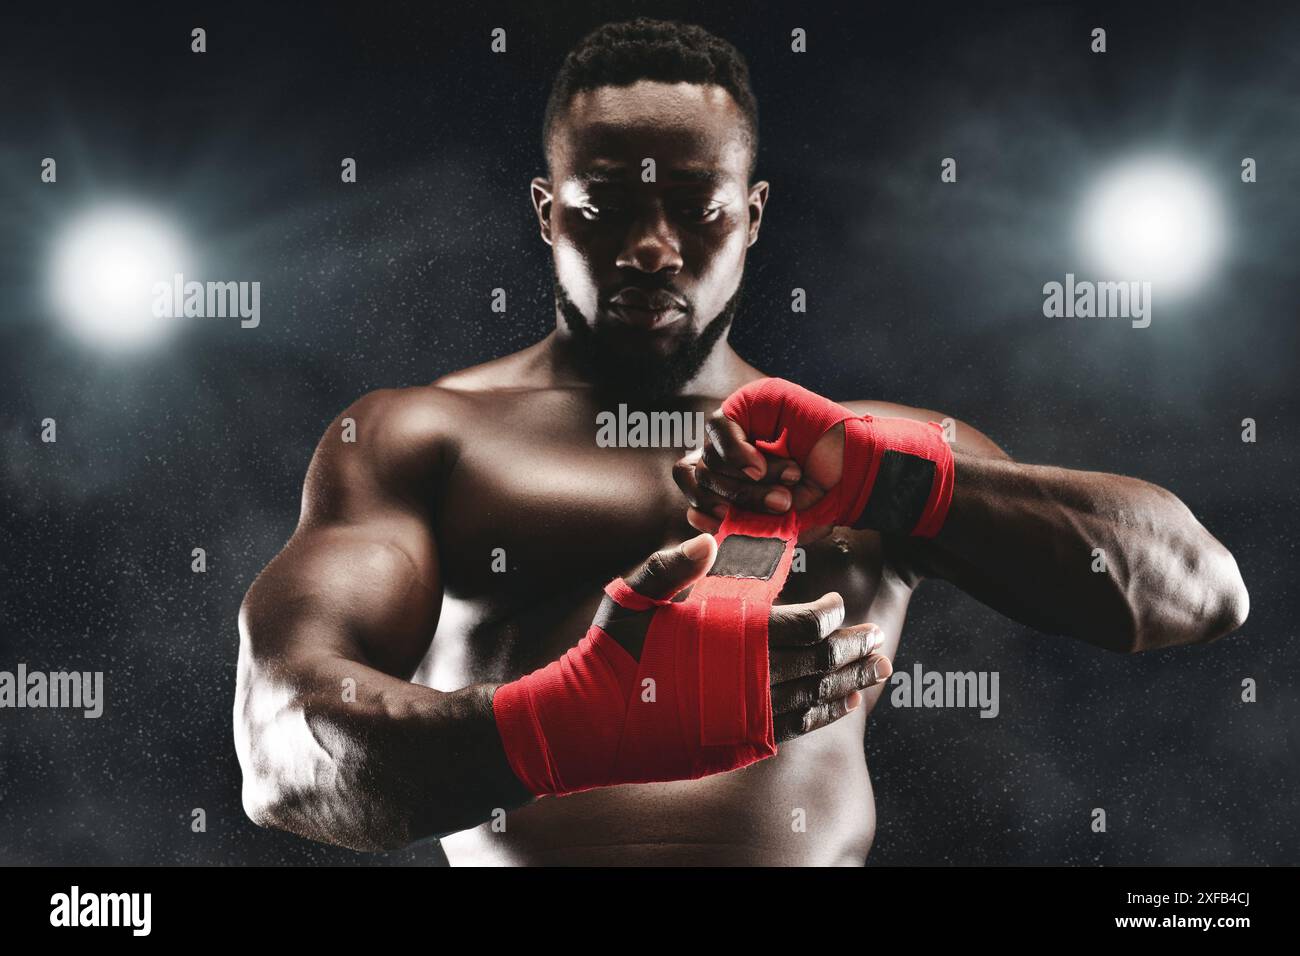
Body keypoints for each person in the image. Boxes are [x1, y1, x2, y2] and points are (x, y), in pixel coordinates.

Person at [233, 18, 1248, 865]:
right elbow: (281, 754)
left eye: (693, 206)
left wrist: (888, 484)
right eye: (606, 204)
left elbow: (1196, 589)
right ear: (548, 213)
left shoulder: (878, 445)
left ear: (751, 215)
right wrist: (572, 722)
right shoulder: (423, 437)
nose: (650, 246)